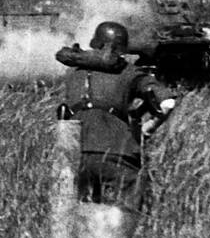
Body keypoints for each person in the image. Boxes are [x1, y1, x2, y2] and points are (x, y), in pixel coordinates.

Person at [59, 21, 178, 213]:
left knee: (74, 211)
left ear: (94, 43)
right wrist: (148, 128)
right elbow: (167, 103)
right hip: (116, 151)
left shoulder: (72, 72)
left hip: (73, 150)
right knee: (130, 209)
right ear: (122, 49)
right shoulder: (129, 72)